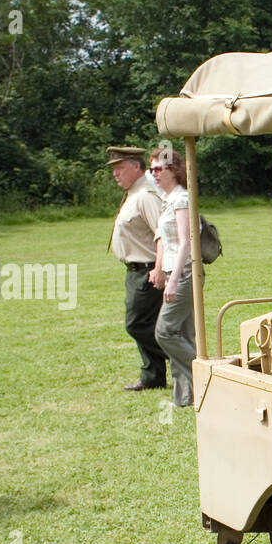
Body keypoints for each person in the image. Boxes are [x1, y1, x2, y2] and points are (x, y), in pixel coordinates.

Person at [106, 146, 168, 392]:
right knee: (147, 322)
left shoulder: (146, 194)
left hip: (148, 270)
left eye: (120, 168)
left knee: (137, 323)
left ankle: (184, 357)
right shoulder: (134, 193)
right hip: (135, 270)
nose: (115, 174)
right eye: (114, 169)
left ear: (136, 166)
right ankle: (153, 376)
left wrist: (159, 268)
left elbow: (162, 233)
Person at [148, 147, 198, 408]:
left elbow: (185, 243)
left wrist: (175, 279)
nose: (154, 174)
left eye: (159, 169)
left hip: (185, 271)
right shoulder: (167, 198)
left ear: (174, 170)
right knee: (183, 334)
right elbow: (164, 242)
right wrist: (160, 270)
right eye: (151, 169)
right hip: (173, 271)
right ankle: (186, 398)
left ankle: (207, 378)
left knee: (165, 332)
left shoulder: (181, 199)